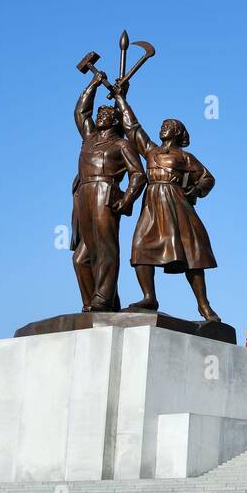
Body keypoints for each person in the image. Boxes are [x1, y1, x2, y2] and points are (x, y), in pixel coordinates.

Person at [111, 88, 221, 323]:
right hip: (152, 202)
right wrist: (121, 98)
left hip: (177, 204)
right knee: (140, 246)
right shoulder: (150, 150)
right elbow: (133, 128)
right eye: (162, 124)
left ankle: (204, 305)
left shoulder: (185, 157)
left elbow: (208, 178)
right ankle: (149, 297)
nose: (163, 127)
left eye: (168, 125)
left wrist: (194, 190)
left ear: (178, 132)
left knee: (192, 253)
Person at [71, 73, 146, 311]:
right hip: (83, 193)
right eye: (99, 113)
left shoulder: (121, 145)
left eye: (106, 114)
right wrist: (93, 83)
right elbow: (81, 113)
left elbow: (139, 174)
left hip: (106, 192)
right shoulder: (89, 138)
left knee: (106, 249)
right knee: (81, 258)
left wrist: (127, 199)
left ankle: (102, 299)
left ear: (115, 121)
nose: (100, 116)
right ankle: (96, 302)